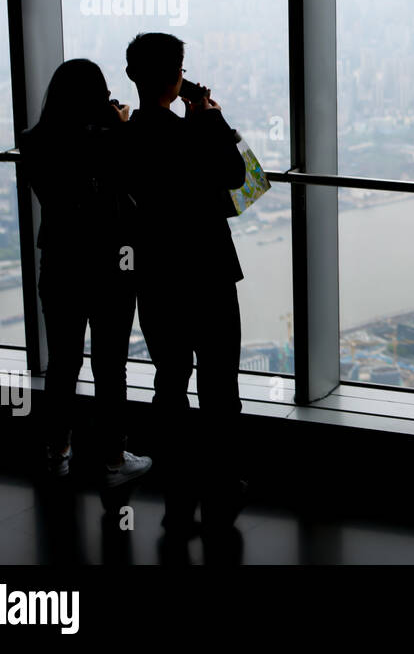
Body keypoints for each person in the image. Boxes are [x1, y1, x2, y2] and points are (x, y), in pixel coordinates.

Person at [123, 32, 247, 535]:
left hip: (156, 275)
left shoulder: (124, 138)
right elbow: (244, 178)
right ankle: (223, 476)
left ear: (132, 76)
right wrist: (213, 119)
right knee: (220, 383)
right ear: (179, 78)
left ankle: (174, 474)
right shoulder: (194, 133)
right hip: (210, 273)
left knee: (169, 380)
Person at [17, 59, 152, 487]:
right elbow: (133, 180)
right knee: (110, 363)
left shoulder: (36, 142)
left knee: (62, 362)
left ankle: (56, 452)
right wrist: (121, 128)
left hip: (58, 260)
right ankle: (113, 458)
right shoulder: (110, 139)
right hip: (111, 262)